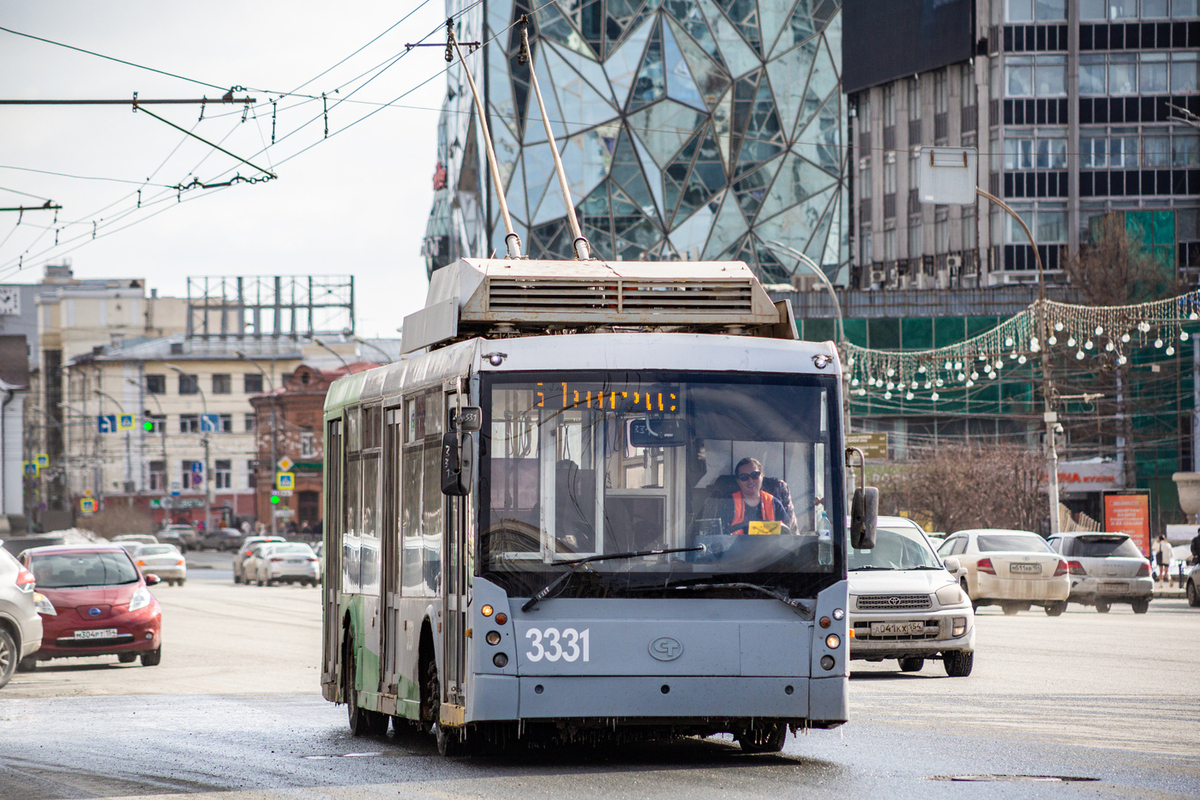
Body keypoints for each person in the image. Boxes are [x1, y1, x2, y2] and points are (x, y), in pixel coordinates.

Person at [715, 457, 788, 535]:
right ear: (738, 481)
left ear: (762, 476)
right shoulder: (728, 503)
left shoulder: (775, 504)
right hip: (736, 543)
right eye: (744, 477)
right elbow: (718, 535)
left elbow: (787, 535)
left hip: (770, 543)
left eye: (755, 475)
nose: (750, 480)